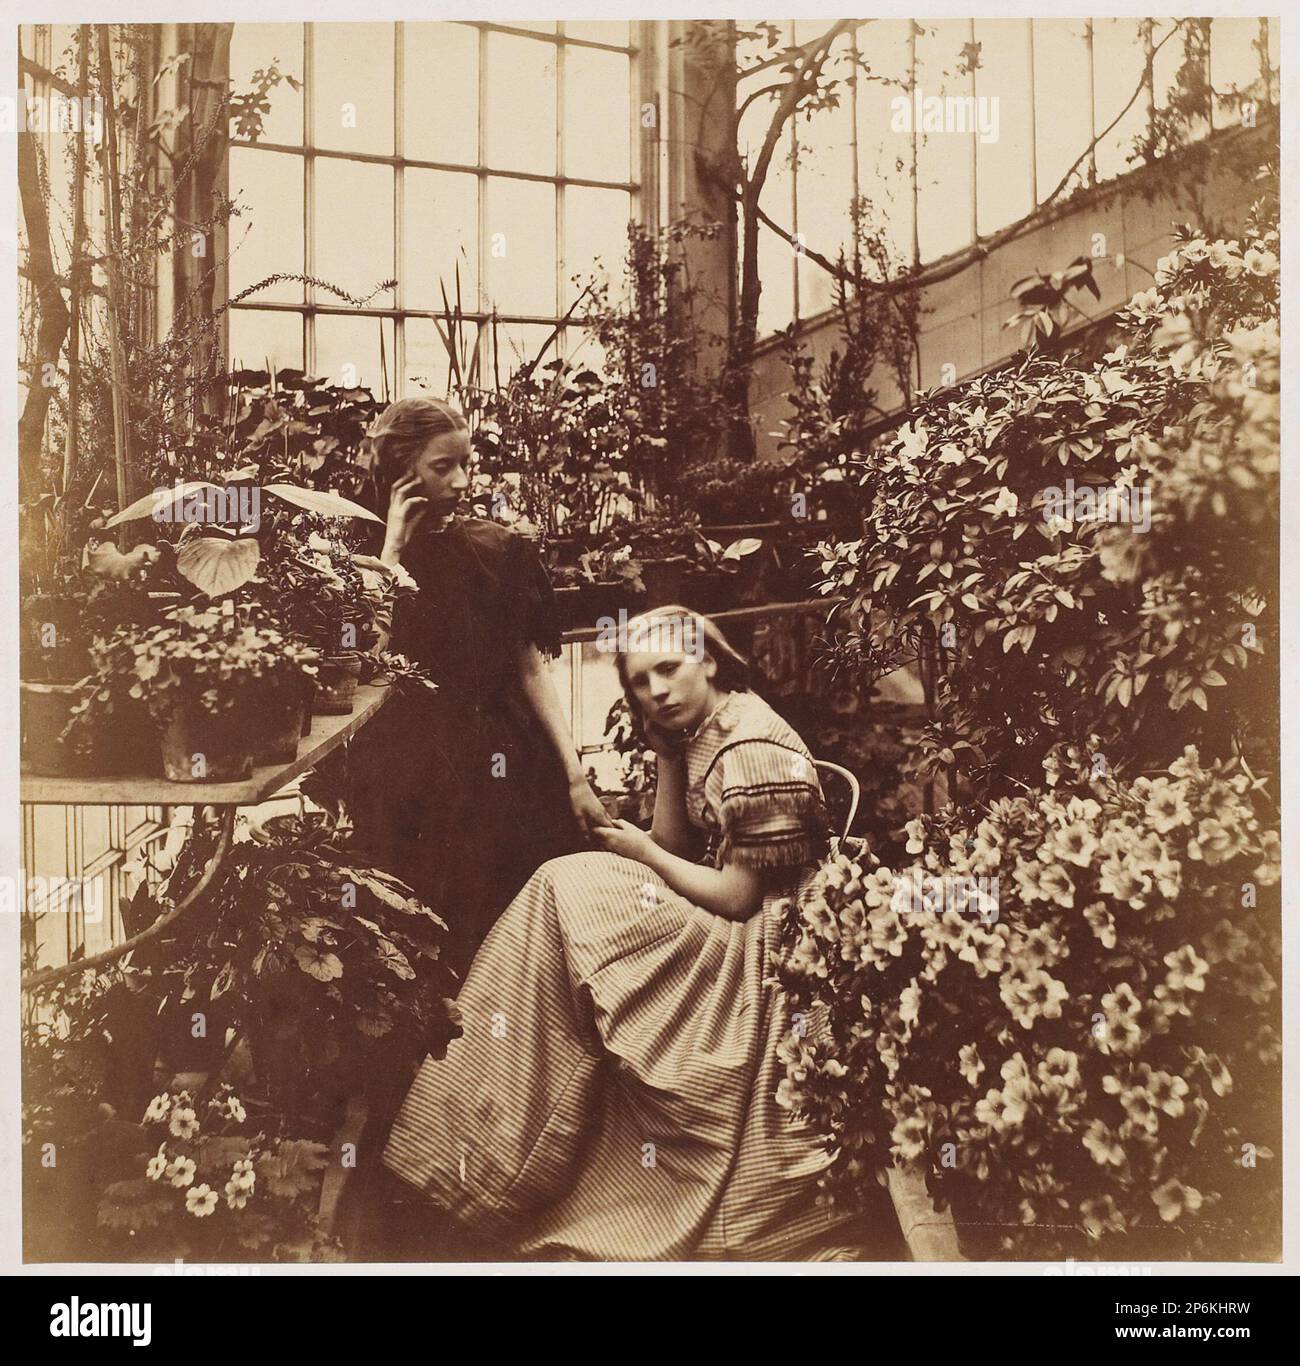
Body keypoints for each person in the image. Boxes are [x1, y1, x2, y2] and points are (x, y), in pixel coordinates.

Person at [380, 606, 869, 1260]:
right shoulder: (700, 729)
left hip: (774, 950)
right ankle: (472, 1140)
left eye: (669, 669)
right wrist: (667, 757)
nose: (657, 691)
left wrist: (640, 855)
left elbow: (739, 896)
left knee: (566, 895)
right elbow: (672, 840)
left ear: (711, 662)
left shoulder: (751, 748)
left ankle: (483, 1150)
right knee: (562, 901)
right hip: (733, 915)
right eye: (640, 681)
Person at [344, 396, 610, 979]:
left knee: (518, 923)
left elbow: (531, 670)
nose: (463, 481)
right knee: (427, 932)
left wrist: (574, 775)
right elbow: (363, 663)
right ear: (398, 469)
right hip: (408, 770)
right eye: (444, 467)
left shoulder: (502, 552)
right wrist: (390, 553)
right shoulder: (354, 556)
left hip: (502, 765)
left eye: (467, 463)